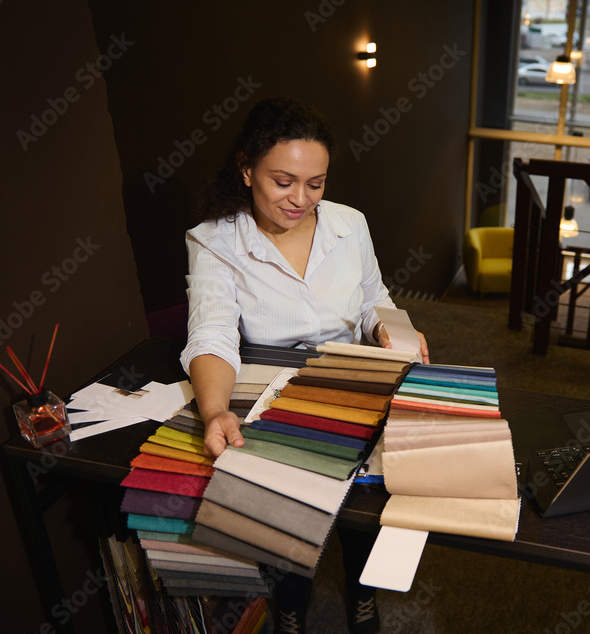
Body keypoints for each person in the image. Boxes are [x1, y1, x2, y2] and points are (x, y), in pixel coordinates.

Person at [180, 97, 428, 634]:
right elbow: (213, 333)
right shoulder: (216, 241)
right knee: (287, 510)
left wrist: (389, 329)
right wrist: (215, 409)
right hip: (277, 390)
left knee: (367, 503)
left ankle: (363, 592)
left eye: (315, 184)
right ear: (247, 169)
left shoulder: (349, 224)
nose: (300, 199)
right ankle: (291, 600)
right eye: (283, 181)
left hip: (352, 379)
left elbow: (372, 300)